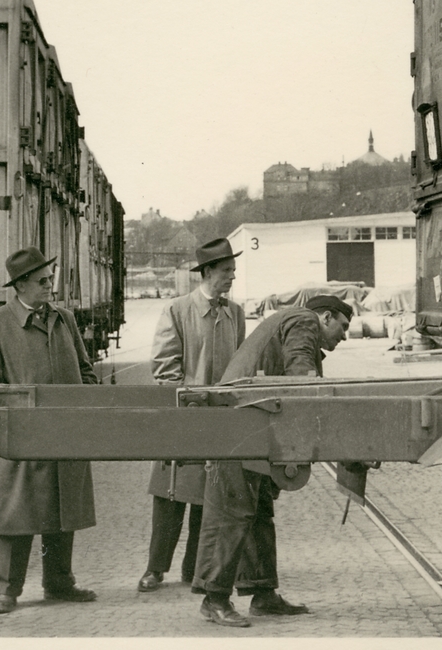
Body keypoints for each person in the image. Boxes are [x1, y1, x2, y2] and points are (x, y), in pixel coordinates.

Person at [192, 295, 354, 627]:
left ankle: (262, 594)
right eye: (343, 325)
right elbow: (301, 380)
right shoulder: (305, 320)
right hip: (239, 421)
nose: (345, 335)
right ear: (326, 316)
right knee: (232, 510)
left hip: (250, 421)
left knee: (258, 512)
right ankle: (214, 599)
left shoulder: (294, 321)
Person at [0, 247, 100, 615]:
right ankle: (7, 590)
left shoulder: (65, 320)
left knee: (63, 508)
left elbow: (86, 370)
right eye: (42, 281)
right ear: (21, 285)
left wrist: (86, 400)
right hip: (21, 440)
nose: (50, 287)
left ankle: (60, 581)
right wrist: (16, 421)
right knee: (17, 512)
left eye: (50, 279)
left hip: (65, 434)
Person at [138, 238, 247, 593]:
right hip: (185, 418)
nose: (233, 275)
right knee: (170, 494)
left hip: (222, 420)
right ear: (209, 272)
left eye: (233, 269)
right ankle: (155, 568)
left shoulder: (236, 313)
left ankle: (195, 568)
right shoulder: (177, 310)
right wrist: (188, 400)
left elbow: (240, 365)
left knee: (211, 495)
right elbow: (164, 367)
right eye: (227, 270)